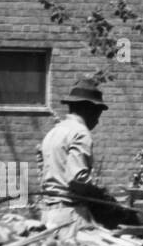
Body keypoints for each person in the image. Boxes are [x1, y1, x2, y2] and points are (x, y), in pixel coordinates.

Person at [39, 79, 109, 231]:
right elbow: (77, 178)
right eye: (98, 113)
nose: (97, 120)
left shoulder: (53, 132)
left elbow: (43, 171)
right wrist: (100, 194)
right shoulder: (80, 133)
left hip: (48, 214)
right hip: (71, 215)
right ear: (89, 110)